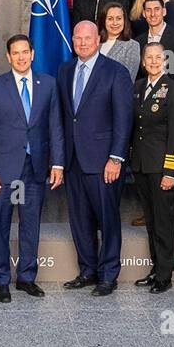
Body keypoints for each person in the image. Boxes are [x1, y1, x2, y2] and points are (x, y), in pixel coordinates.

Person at [0, 34, 64, 303]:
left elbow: (55, 127)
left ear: (33, 54)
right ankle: (2, 280)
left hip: (35, 168)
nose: (20, 57)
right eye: (15, 53)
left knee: (30, 224)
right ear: (7, 56)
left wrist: (58, 163)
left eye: (25, 52)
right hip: (4, 169)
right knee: (0, 225)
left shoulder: (48, 84)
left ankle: (27, 277)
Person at [57, 20, 134, 295]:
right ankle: (87, 270)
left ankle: (108, 274)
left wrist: (116, 158)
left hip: (104, 162)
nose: (82, 43)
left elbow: (123, 120)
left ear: (98, 39)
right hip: (73, 160)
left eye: (87, 38)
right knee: (79, 219)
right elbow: (66, 118)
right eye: (77, 39)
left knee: (108, 219)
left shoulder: (116, 72)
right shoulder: (65, 71)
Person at [129, 42, 174, 293]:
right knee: (151, 220)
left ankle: (164, 274)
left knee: (163, 221)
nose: (152, 61)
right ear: (143, 61)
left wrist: (170, 171)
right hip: (141, 164)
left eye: (157, 57)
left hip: (162, 168)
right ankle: (157, 267)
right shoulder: (138, 87)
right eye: (148, 57)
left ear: (165, 60)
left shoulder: (173, 89)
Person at [133, 0, 174, 82]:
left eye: (157, 9)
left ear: (164, 11)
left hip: (171, 92)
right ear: (144, 14)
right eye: (148, 10)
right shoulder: (138, 42)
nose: (153, 14)